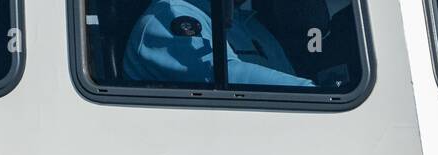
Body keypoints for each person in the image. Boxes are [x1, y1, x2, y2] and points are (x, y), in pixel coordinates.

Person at [122, 0, 314, 88]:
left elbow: (287, 77)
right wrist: (311, 90)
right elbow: (224, 74)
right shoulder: (170, 14)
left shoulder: (252, 25)